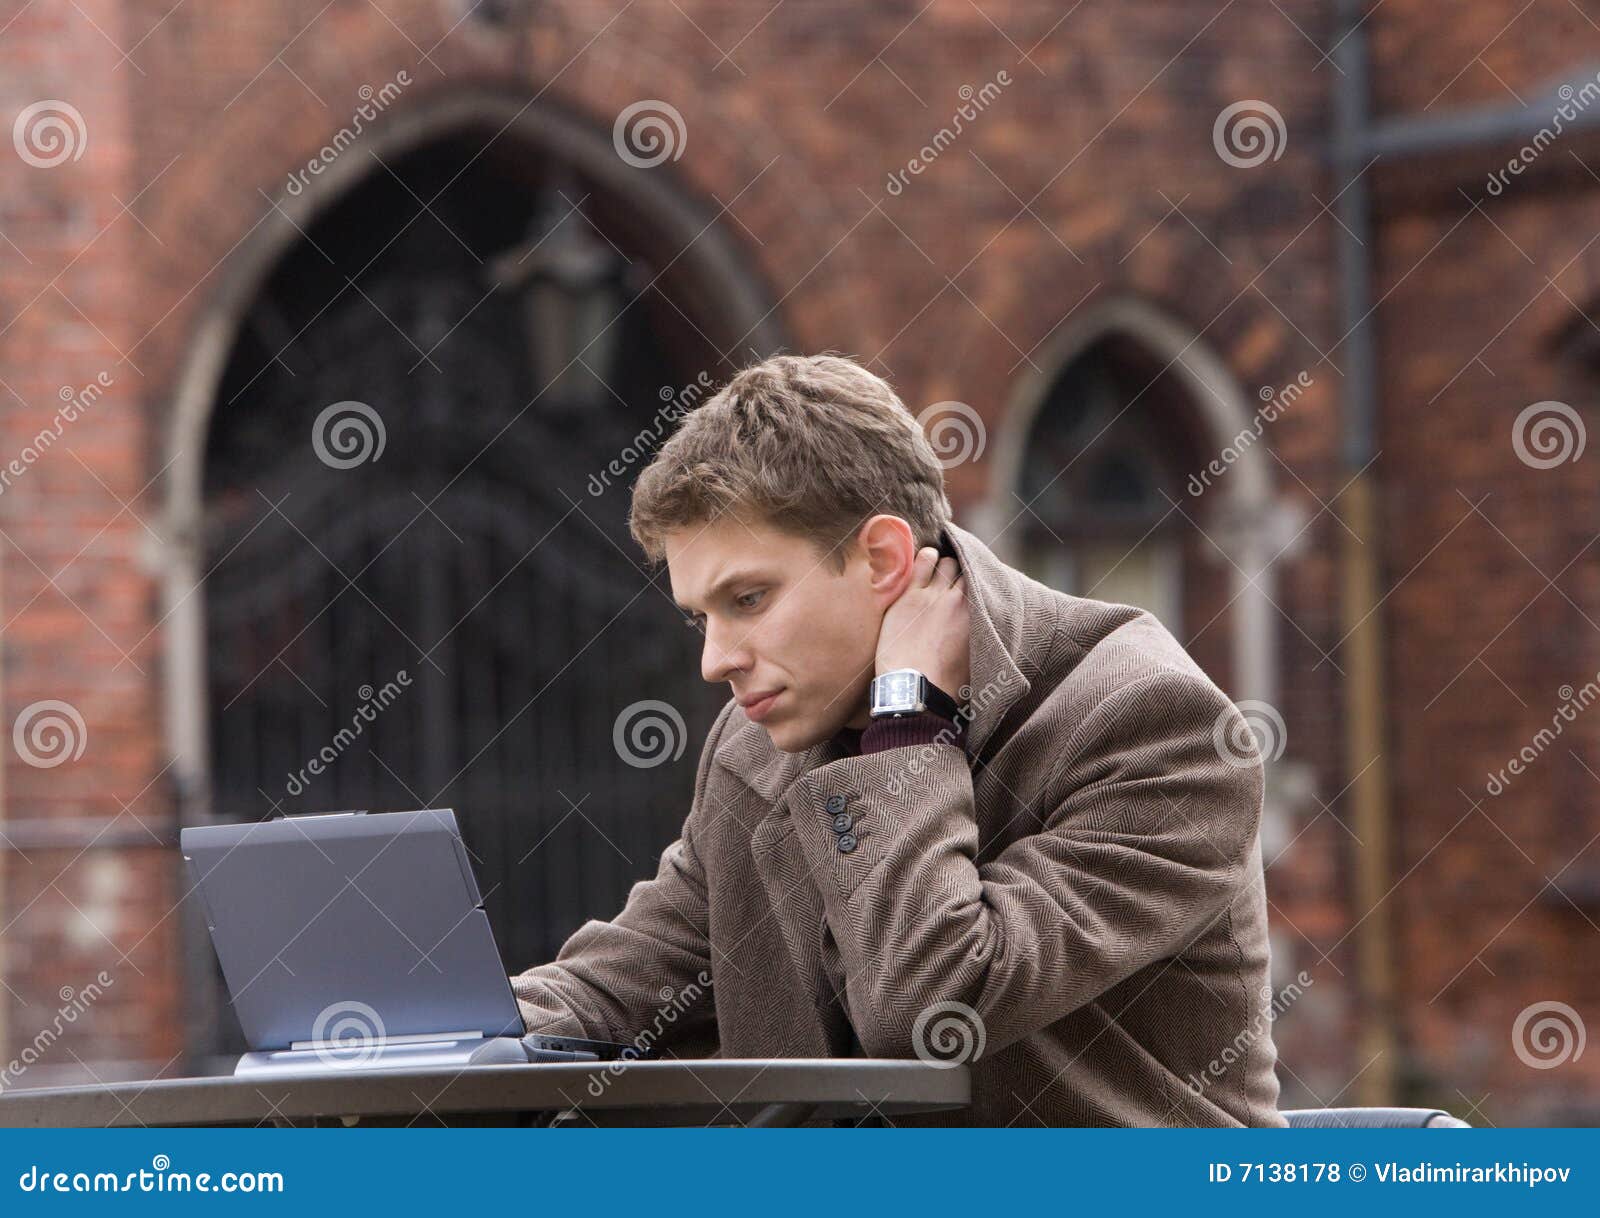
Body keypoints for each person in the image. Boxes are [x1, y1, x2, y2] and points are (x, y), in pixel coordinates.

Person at [510, 353, 1285, 1126]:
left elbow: (932, 1009)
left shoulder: (1153, 725)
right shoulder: (754, 748)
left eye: (749, 598)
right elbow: (615, 989)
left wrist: (906, 718)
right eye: (700, 617)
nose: (716, 660)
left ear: (881, 558)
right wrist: (432, 1036)